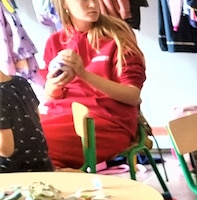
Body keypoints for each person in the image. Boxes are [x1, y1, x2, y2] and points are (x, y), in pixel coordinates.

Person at [38, 0, 145, 169]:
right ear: (64, 4)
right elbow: (51, 98)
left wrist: (84, 74)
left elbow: (133, 96)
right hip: (60, 117)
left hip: (108, 123)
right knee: (17, 139)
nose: (93, 5)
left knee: (34, 146)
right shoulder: (55, 41)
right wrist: (52, 86)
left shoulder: (117, 37)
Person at [0, 70, 53, 172]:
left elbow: (6, 149)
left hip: (13, 176)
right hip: (43, 167)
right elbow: (37, 117)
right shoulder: (21, 82)